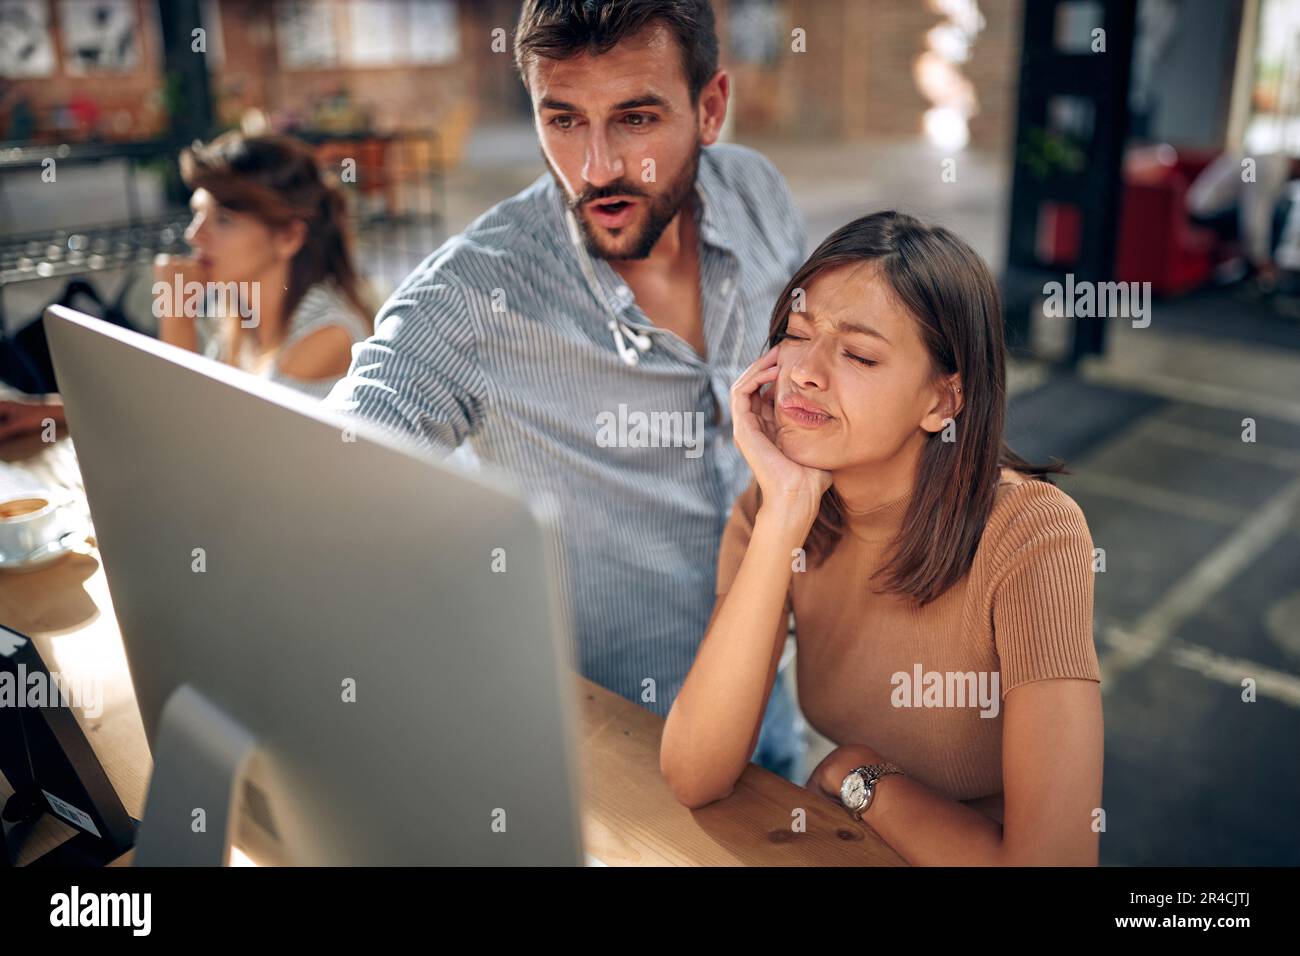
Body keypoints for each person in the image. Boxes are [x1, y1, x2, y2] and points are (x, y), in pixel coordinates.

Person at [324, 0, 809, 778]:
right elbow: (327, 469)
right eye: (564, 119)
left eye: (637, 118)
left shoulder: (758, 194)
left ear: (710, 108)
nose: (597, 168)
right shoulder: (470, 295)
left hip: (772, 701)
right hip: (608, 754)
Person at [660, 212, 1105, 865]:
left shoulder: (1034, 534)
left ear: (942, 402)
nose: (805, 372)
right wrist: (784, 512)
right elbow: (694, 772)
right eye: (795, 334)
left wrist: (859, 775)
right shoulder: (775, 508)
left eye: (858, 354)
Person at [0, 133, 373, 441]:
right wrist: (54, 410)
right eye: (197, 213)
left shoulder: (326, 336)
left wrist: (176, 314)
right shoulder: (241, 313)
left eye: (223, 220)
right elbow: (191, 404)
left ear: (289, 237)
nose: (194, 236)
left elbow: (196, 442)